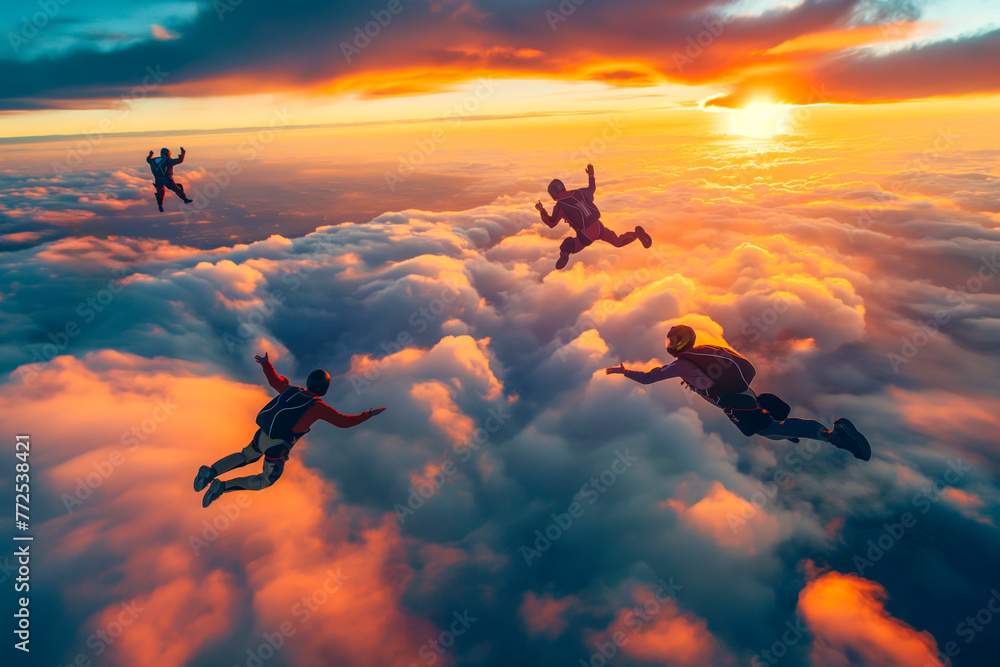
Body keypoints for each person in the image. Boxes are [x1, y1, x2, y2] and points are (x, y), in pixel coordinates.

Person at [605, 324, 871, 460]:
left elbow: (649, 378)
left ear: (682, 342)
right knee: (772, 428)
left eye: (672, 341)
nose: (670, 344)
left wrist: (624, 371)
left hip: (736, 403)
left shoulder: (683, 364)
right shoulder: (699, 353)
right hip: (742, 394)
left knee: (769, 431)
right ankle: (779, 419)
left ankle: (834, 436)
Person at [194, 353, 386, 507]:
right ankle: (222, 487)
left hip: (262, 434)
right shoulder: (318, 407)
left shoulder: (293, 390)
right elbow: (344, 422)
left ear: (309, 382)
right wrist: (367, 414)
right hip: (277, 446)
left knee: (245, 456)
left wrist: (266, 364)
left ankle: (211, 472)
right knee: (265, 481)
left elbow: (275, 382)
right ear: (325, 389)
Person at [535, 163, 652, 270]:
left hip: (586, 234)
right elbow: (592, 189)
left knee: (570, 244)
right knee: (617, 241)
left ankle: (564, 253)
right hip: (598, 226)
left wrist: (541, 210)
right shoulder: (578, 192)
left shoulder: (559, 206)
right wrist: (591, 175)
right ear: (563, 187)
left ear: (552, 194)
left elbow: (551, 223)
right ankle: (636, 235)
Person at [146, 147, 193, 212]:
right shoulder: (167, 160)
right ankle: (185, 200)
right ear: (168, 153)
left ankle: (160, 206)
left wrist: (150, 155)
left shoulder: (152, 160)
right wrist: (183, 153)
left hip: (158, 180)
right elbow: (179, 160)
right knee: (177, 189)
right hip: (167, 179)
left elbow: (148, 159)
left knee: (160, 193)